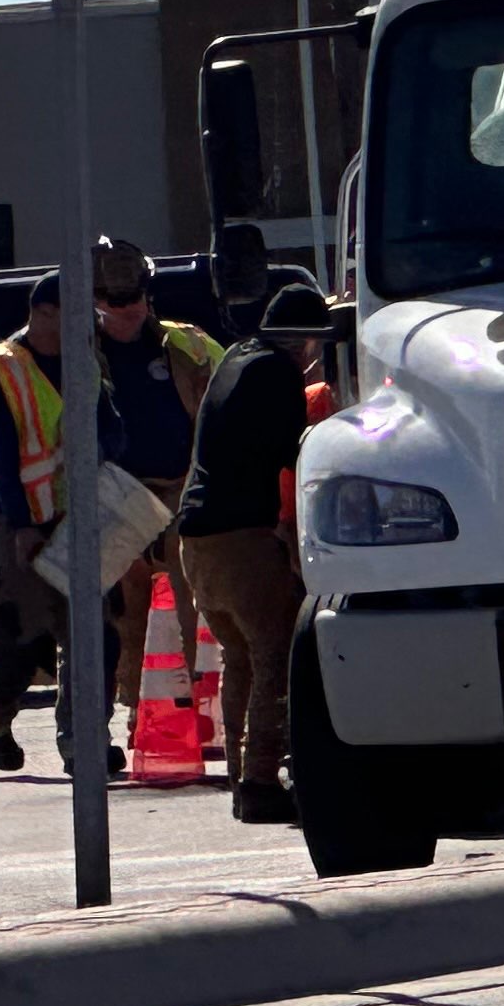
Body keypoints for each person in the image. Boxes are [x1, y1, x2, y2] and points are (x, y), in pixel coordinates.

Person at [180, 283, 334, 823]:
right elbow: (296, 454)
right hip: (241, 538)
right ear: (306, 342)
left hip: (195, 538)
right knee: (275, 658)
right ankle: (264, 782)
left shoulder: (236, 357)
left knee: (239, 657)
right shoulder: (278, 373)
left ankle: (242, 783)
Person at [0, 277, 93, 775]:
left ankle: (82, 744)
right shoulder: (2, 371)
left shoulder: (83, 359)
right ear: (44, 312)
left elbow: (109, 420)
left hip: (76, 518)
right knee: (17, 637)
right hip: (15, 523)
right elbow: (0, 455)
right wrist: (21, 525)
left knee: (92, 634)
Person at [86, 235, 220, 719]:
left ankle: (186, 707)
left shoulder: (185, 344)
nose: (131, 307)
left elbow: (227, 403)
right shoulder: (77, 358)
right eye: (117, 299)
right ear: (94, 300)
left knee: (189, 603)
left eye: (139, 294)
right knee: (123, 614)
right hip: (113, 495)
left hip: (178, 489)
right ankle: (136, 712)